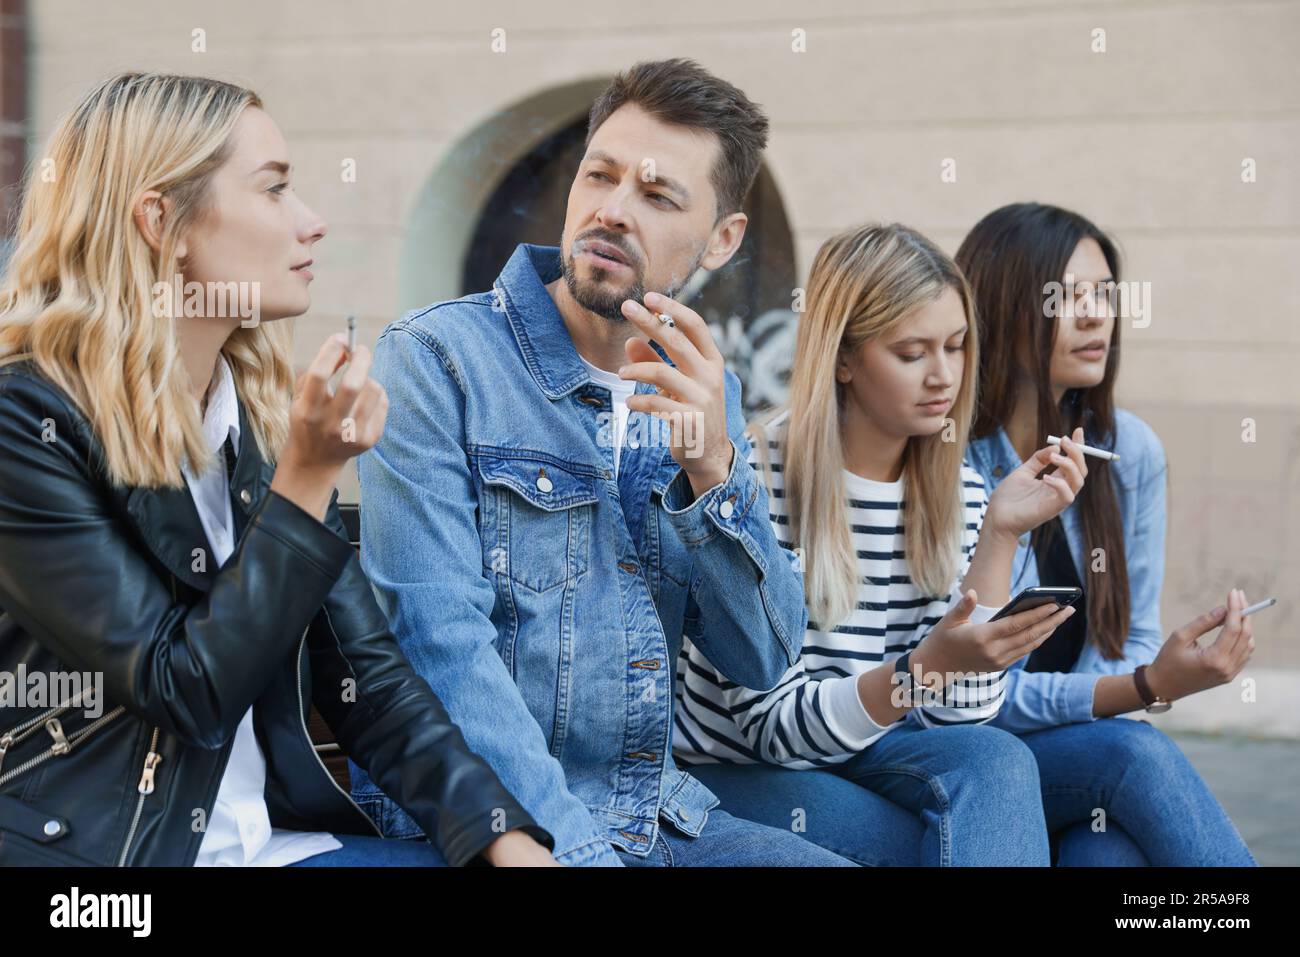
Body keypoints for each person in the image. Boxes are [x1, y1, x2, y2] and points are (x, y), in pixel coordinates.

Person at [0, 72, 554, 867]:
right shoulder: (26, 420)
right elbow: (182, 687)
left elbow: (371, 685)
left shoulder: (251, 425)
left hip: (267, 847)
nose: (313, 223)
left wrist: (503, 834)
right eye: (275, 190)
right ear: (163, 221)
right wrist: (306, 478)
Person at [350, 58, 853, 866]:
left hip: (654, 815)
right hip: (490, 826)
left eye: (657, 197)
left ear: (723, 239)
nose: (612, 212)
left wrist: (712, 469)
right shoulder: (436, 358)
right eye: (600, 176)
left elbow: (761, 655)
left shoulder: (700, 387)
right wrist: (577, 850)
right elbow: (439, 641)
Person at [674, 223, 1086, 865]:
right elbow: (772, 731)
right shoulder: (752, 477)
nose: (944, 377)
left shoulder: (966, 491)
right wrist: (920, 674)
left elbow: (961, 721)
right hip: (746, 773)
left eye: (956, 346)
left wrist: (1001, 534)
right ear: (843, 357)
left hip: (874, 753)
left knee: (1006, 762)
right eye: (912, 352)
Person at [958, 201, 1256, 866]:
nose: (1096, 315)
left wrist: (1135, 681)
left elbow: (1133, 637)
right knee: (1132, 752)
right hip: (977, 753)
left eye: (1104, 295)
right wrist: (1139, 689)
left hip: (1081, 749)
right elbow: (967, 689)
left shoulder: (1131, 453)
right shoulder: (954, 463)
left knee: (1108, 852)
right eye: (1066, 297)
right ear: (1003, 308)